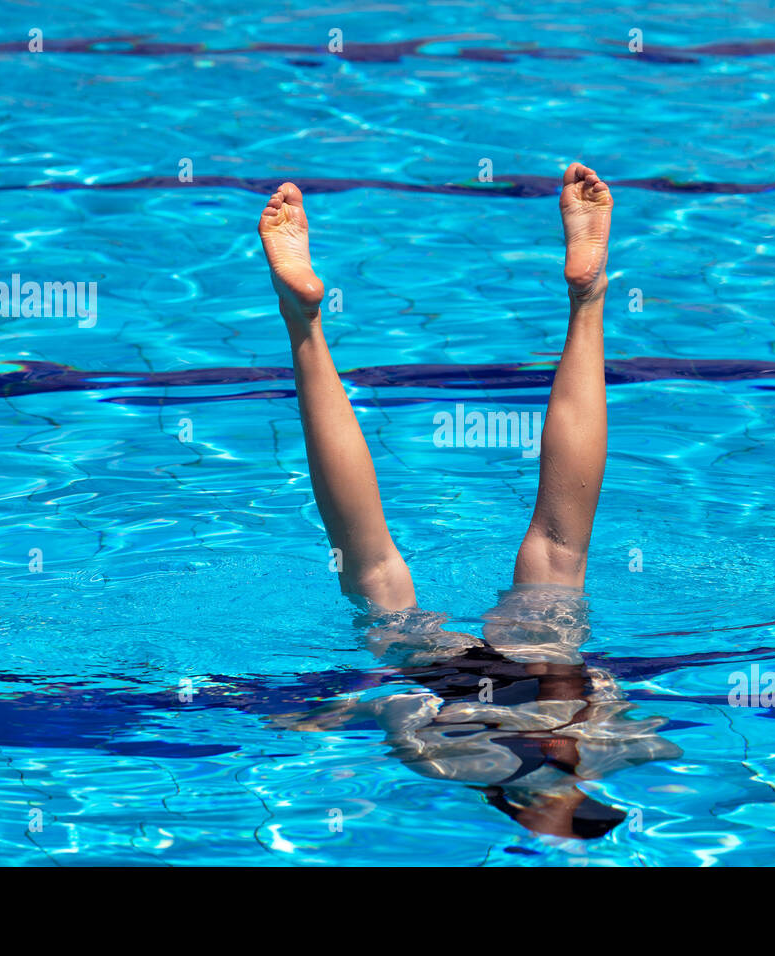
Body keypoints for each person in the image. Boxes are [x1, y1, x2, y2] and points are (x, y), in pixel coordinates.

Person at [258, 164, 678, 841]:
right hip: (460, 682)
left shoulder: (614, 751)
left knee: (559, 549)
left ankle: (589, 298)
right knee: (373, 570)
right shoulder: (451, 770)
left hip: (559, 677)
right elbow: (396, 706)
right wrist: (335, 716)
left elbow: (649, 726)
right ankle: (303, 322)